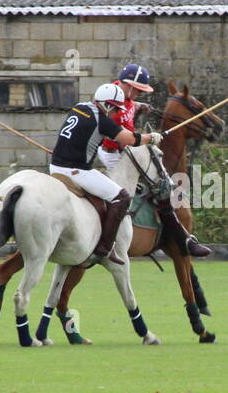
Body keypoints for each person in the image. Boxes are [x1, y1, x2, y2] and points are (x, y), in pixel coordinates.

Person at [97, 63, 211, 258]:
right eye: (139, 91)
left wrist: (139, 107)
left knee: (162, 182)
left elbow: (129, 108)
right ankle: (113, 239)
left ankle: (169, 233)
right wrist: (147, 138)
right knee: (160, 186)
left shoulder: (123, 96)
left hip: (126, 150)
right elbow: (122, 133)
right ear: (129, 86)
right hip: (116, 153)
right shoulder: (114, 103)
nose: (140, 94)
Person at [51, 82, 162, 265]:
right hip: (77, 172)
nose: (117, 114)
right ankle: (105, 247)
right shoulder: (102, 120)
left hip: (55, 167)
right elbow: (129, 139)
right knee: (123, 197)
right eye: (116, 110)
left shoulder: (79, 107)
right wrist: (151, 138)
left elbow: (76, 137)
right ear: (108, 105)